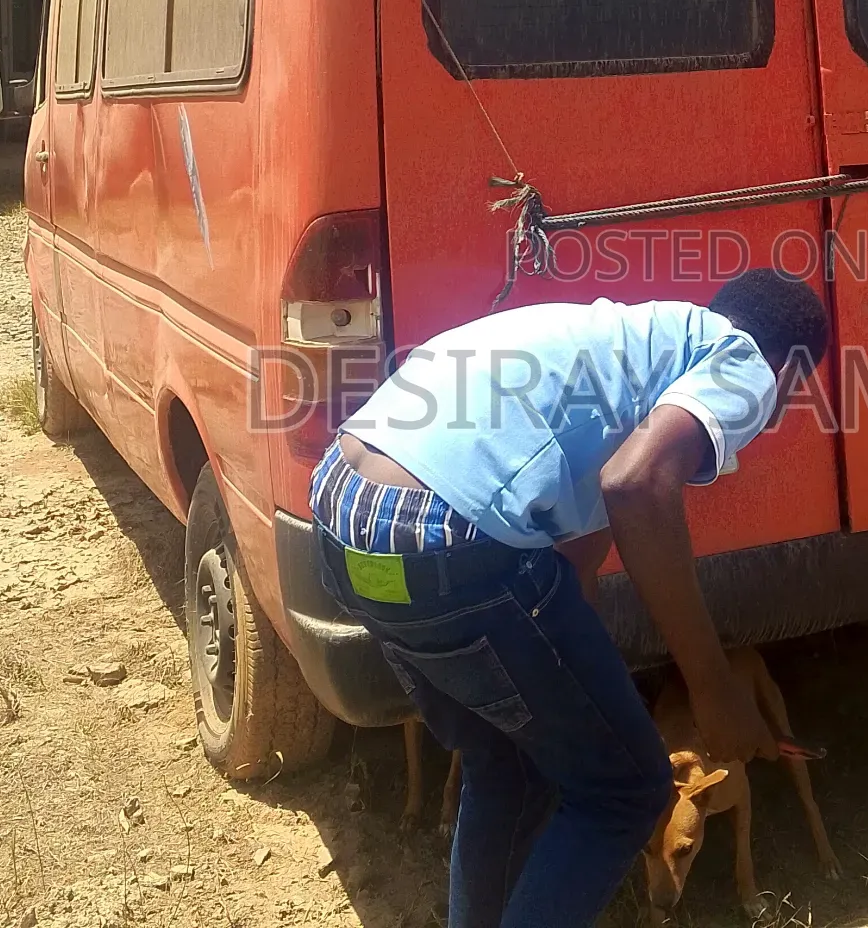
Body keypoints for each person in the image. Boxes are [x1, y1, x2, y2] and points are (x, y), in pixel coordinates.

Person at [310, 268, 830, 928]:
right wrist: (713, 689)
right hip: (441, 530)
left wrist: (587, 693)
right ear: (790, 372)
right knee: (627, 787)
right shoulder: (748, 361)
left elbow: (577, 566)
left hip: (344, 516)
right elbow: (637, 487)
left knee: (509, 761)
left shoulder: (634, 352)